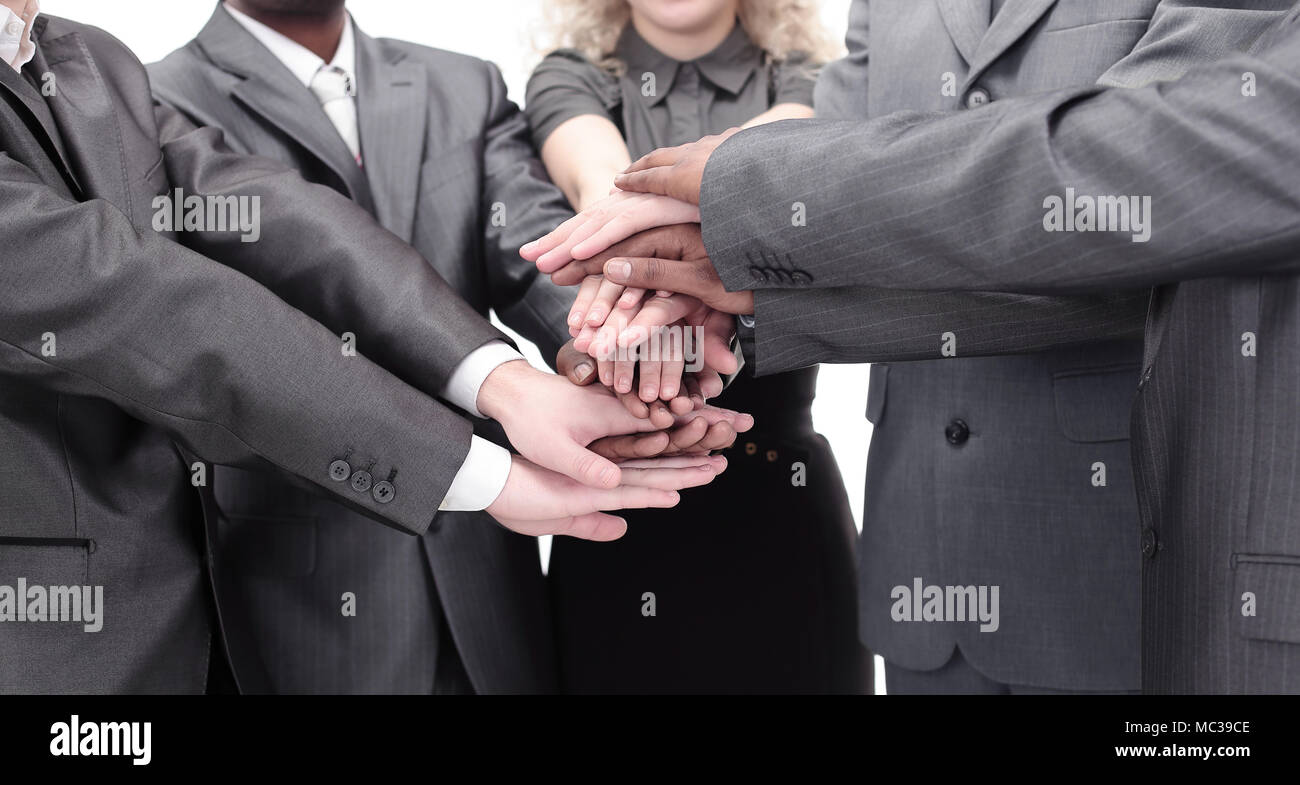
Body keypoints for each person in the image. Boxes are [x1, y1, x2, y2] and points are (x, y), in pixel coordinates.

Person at [528, 1, 1300, 693]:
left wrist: (700, 232)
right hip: (916, 565)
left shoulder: (794, 75)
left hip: (1099, 564)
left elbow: (1145, 182)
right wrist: (675, 279)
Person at [0, 2, 744, 694]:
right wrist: (479, 467)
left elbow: (289, 223)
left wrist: (522, 383)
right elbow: (167, 311)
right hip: (75, 647)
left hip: (384, 607)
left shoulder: (89, 57)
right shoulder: (167, 75)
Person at [524, 0, 869, 693]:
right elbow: (601, 185)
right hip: (617, 500)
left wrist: (641, 251)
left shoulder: (813, 78)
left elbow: (754, 164)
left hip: (778, 498)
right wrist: (653, 265)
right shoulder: (569, 76)